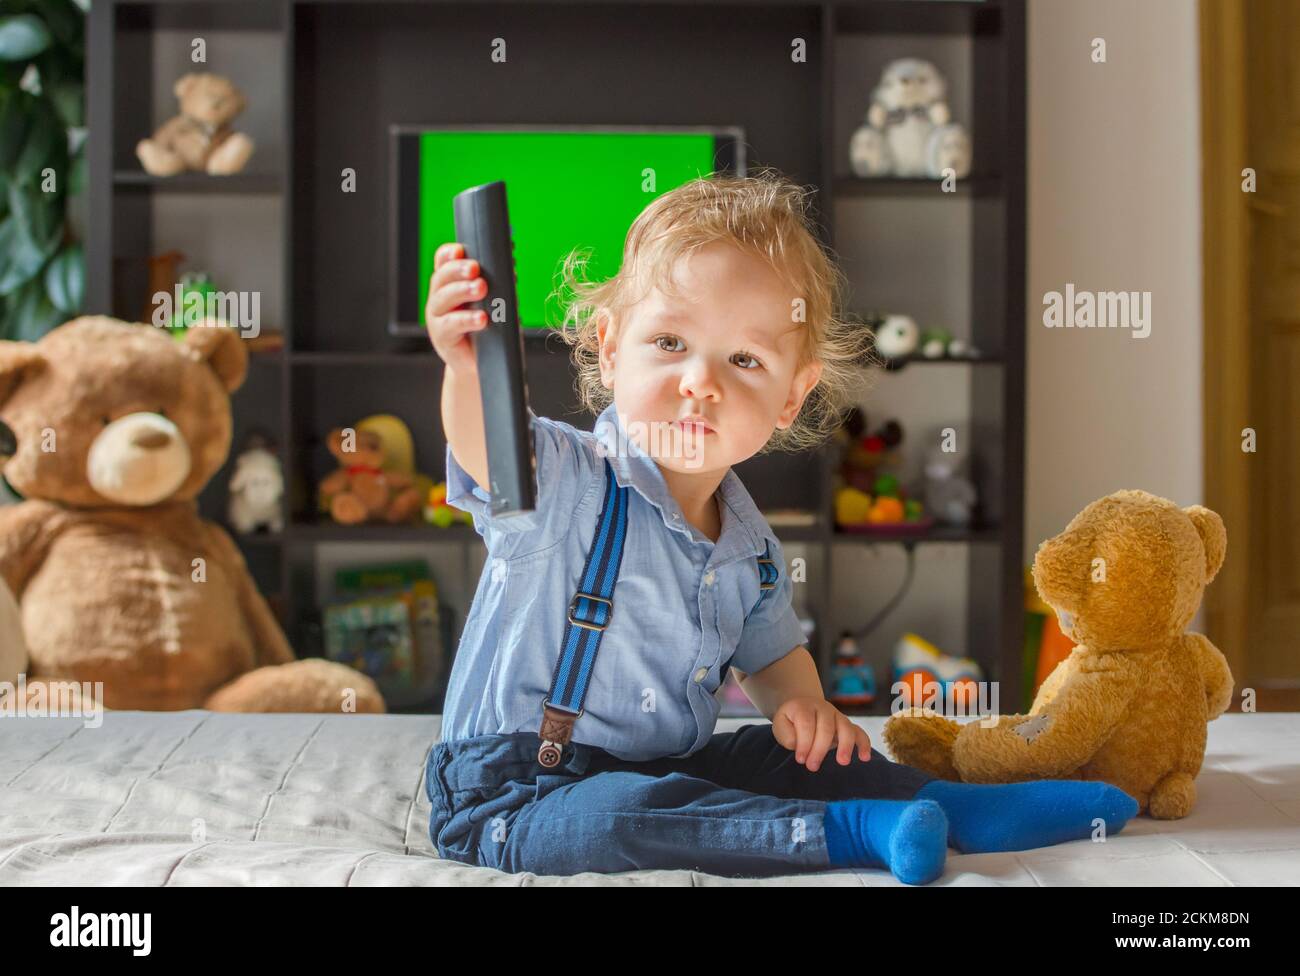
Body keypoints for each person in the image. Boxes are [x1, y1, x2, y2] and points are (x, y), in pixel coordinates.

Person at [422, 169, 1137, 883]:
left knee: (780, 755)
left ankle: (952, 806)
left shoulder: (747, 540)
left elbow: (770, 653)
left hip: (673, 763)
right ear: (610, 349)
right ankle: (845, 831)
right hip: (520, 792)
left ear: (792, 395)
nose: (701, 381)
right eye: (670, 342)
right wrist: (467, 368)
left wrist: (805, 707)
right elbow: (490, 449)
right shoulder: (571, 482)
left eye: (744, 359)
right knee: (619, 816)